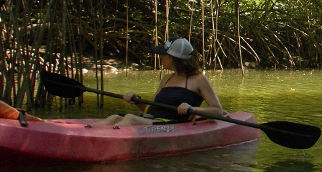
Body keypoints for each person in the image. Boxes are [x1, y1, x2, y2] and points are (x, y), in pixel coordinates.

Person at [96, 37, 228, 127]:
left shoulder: (199, 79)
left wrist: (193, 109)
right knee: (114, 117)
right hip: (152, 121)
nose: (160, 57)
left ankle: (98, 140)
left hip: (171, 125)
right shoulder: (166, 79)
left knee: (130, 118)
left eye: (163, 54)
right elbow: (150, 108)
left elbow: (217, 111)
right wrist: (136, 100)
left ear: (173, 58)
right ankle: (83, 133)